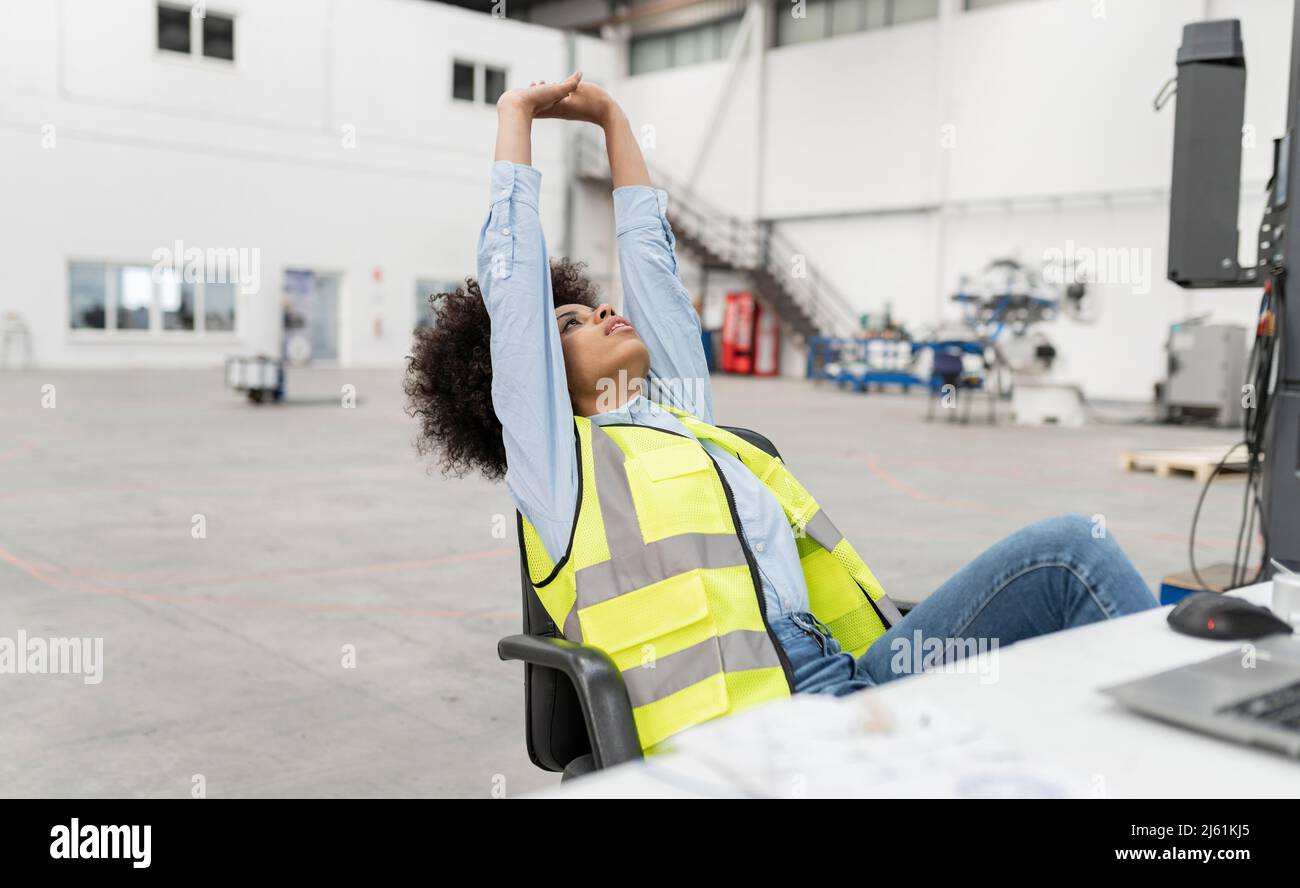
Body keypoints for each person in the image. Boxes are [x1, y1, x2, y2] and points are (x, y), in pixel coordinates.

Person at [405, 72, 1157, 748]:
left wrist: (615, 123)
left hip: (850, 683)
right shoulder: (560, 470)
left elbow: (654, 270)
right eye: (568, 323)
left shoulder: (682, 422)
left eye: (591, 306)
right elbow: (514, 302)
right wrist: (514, 114)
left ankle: (1197, 763)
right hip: (763, 738)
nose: (602, 310)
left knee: (1070, 553)